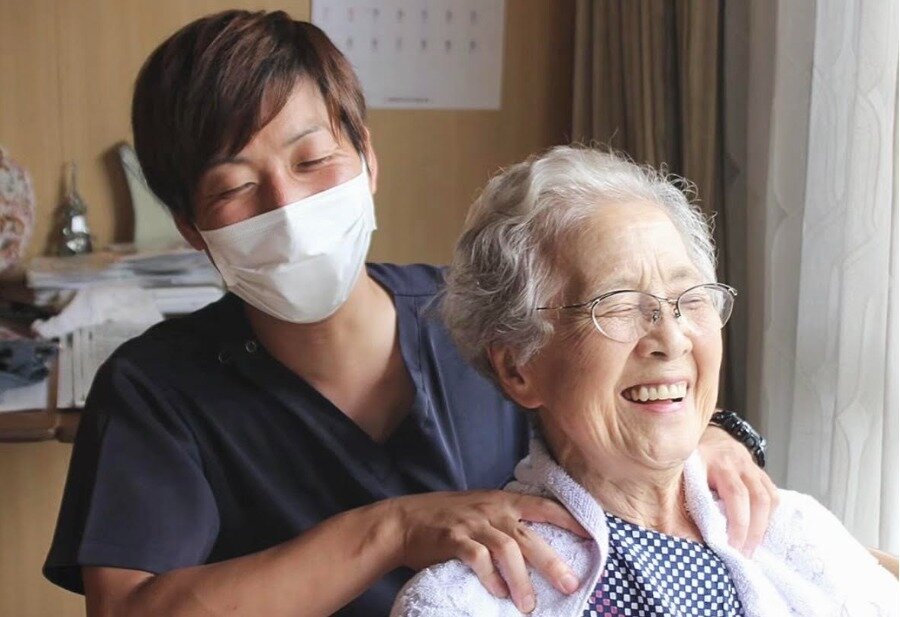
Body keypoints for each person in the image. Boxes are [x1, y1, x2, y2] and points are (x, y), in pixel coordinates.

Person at [43, 11, 777, 617]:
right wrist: (390, 530)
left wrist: (703, 438)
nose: (287, 210)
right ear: (191, 228)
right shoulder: (155, 389)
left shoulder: (484, 318)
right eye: (235, 188)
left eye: (312, 161)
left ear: (368, 158)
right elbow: (129, 610)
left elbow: (613, 389)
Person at [391, 146, 899, 616]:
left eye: (690, 298)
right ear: (517, 368)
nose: (671, 339)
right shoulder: (463, 603)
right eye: (616, 305)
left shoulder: (793, 531)